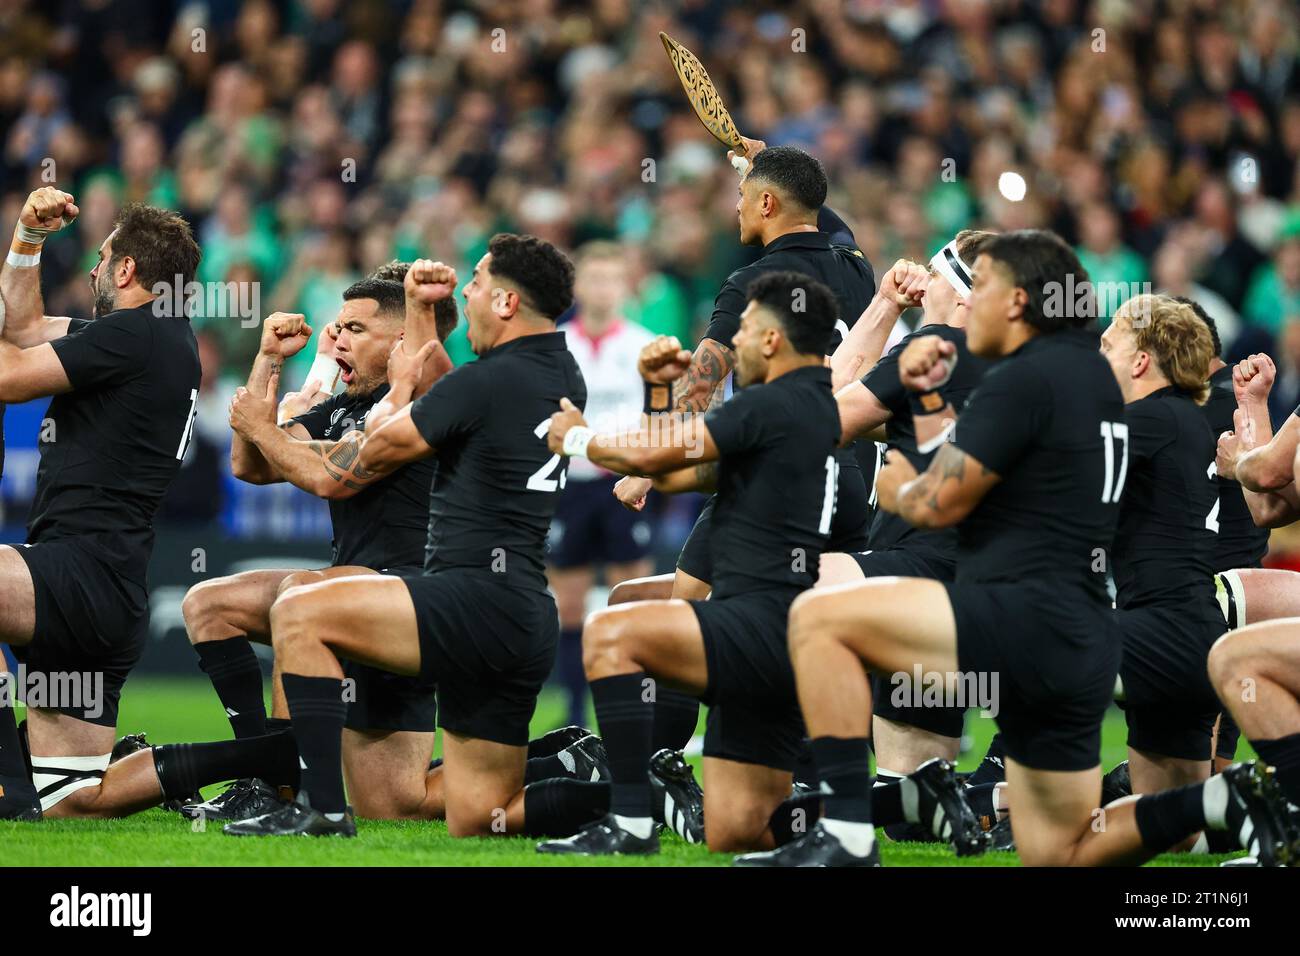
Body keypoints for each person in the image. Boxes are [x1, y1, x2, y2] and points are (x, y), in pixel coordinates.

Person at [738, 230, 1291, 866]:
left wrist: (902, 486)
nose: (968, 302)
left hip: (1052, 624)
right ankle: (1223, 801)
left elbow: (950, 499)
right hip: (1140, 632)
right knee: (1063, 850)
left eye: (988, 287)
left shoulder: (1043, 389)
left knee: (820, 615)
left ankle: (846, 832)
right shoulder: (1134, 406)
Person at [224, 233, 589, 838]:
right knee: (480, 814)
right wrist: (421, 308)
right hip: (522, 613)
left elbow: (338, 471)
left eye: (473, 285)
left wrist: (274, 425)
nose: (465, 296)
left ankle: (319, 808)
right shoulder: (555, 373)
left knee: (300, 611)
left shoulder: (485, 383)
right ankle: (636, 790)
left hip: (465, 599)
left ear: (504, 303)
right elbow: (443, 383)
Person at [0, 187, 201, 819]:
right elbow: (25, 329)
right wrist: (27, 242)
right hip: (105, 584)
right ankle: (243, 759)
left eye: (103, 256)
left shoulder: (137, 337)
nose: (91, 269)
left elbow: (9, 374)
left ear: (126, 269)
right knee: (76, 796)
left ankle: (6, 791)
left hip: (78, 573)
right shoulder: (150, 339)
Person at [549, 243, 656, 728]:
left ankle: (635, 711)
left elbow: (661, 416)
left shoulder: (643, 345)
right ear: (578, 286)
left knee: (633, 598)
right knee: (569, 605)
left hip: (623, 483)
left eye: (612, 279)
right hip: (570, 482)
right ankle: (575, 712)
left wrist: (647, 472)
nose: (603, 288)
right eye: (594, 278)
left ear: (625, 286)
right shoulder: (556, 344)